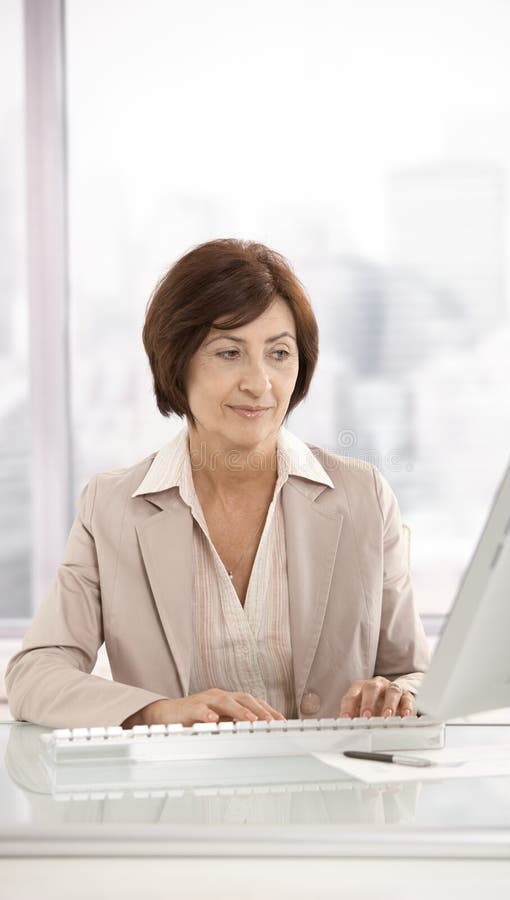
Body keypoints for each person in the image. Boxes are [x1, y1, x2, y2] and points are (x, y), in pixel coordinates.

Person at [6, 239, 430, 728]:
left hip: (331, 797)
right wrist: (157, 712)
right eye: (229, 353)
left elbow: (414, 671)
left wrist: (396, 693)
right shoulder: (113, 507)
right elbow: (34, 674)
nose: (260, 383)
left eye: (279, 353)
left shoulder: (363, 497)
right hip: (179, 799)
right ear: (177, 361)